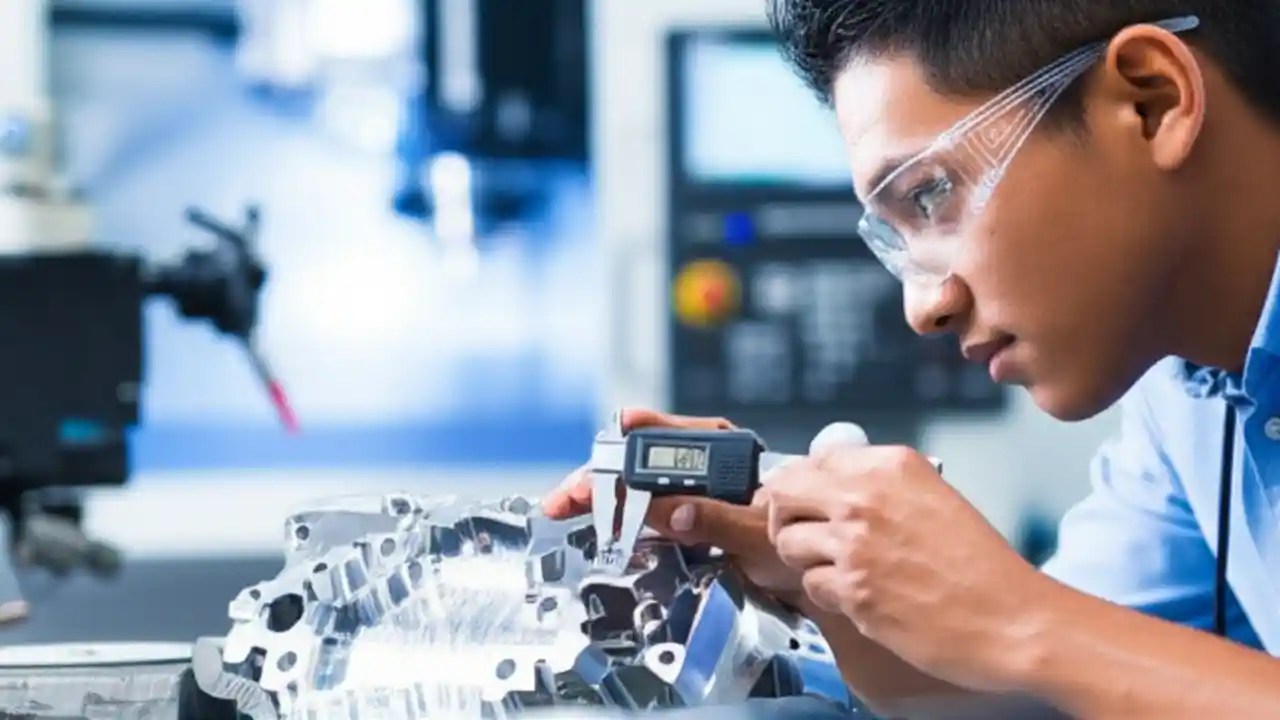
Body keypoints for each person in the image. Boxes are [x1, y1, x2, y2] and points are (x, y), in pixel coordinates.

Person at [546, 1, 1280, 717]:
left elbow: (1049, 646)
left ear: (1152, 102)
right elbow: (1044, 690)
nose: (923, 307)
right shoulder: (1190, 400)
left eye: (930, 195)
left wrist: (1021, 620)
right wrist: (810, 568)